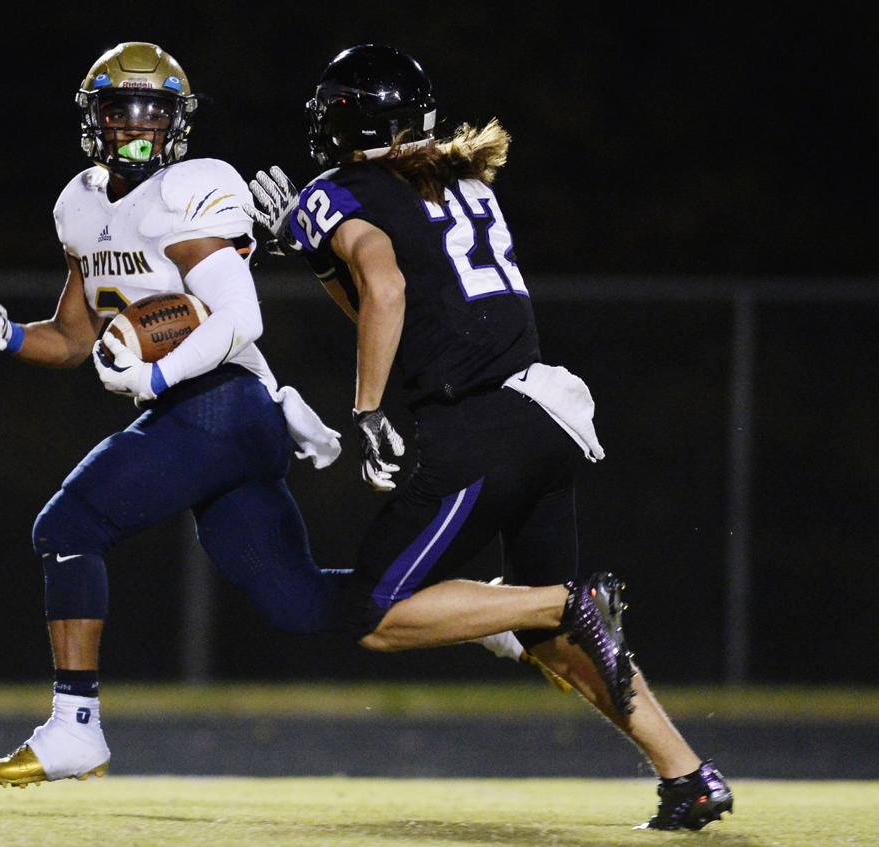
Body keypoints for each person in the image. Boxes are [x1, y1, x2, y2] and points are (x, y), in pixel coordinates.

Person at [247, 44, 734, 831]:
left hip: (480, 424)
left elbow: (387, 286)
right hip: (544, 409)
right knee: (554, 639)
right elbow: (402, 304)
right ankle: (688, 773)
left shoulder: (341, 190)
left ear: (352, 125)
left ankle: (565, 600)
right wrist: (319, 261)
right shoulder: (460, 178)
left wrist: (368, 410)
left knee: (375, 614)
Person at [0, 41, 350, 788]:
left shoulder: (193, 188)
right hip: (211, 417)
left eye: (153, 110)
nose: (136, 126)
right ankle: (481, 616)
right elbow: (74, 337)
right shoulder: (78, 205)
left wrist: (155, 370)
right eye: (119, 109)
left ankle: (76, 725)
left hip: (224, 400)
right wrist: (10, 336)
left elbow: (241, 317)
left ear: (179, 120)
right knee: (298, 600)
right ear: (93, 118)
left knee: (69, 524)